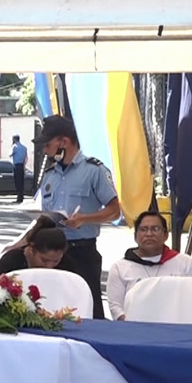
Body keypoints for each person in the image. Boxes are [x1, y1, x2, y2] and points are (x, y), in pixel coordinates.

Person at [35, 115, 121, 318]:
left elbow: (114, 210)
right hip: (51, 253)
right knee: (51, 309)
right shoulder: (50, 174)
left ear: (64, 142)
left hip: (82, 252)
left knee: (88, 309)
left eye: (48, 145)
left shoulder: (94, 170)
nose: (45, 150)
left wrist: (84, 219)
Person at [105, 211, 192, 321]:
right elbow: (116, 307)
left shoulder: (185, 264)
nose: (149, 234)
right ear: (135, 236)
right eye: (143, 229)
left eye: (155, 229)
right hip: (134, 327)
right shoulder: (120, 268)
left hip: (177, 325)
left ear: (166, 235)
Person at [0, 221, 72, 274]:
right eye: (44, 260)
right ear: (31, 249)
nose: (49, 266)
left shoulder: (66, 265)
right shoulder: (11, 261)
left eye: (56, 261)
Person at [11, 134, 29, 203]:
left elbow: (10, 154)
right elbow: (26, 158)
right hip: (22, 165)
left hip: (16, 165)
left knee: (17, 182)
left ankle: (19, 197)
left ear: (14, 140)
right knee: (21, 182)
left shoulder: (14, 147)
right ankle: (21, 196)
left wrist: (11, 146)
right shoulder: (24, 148)